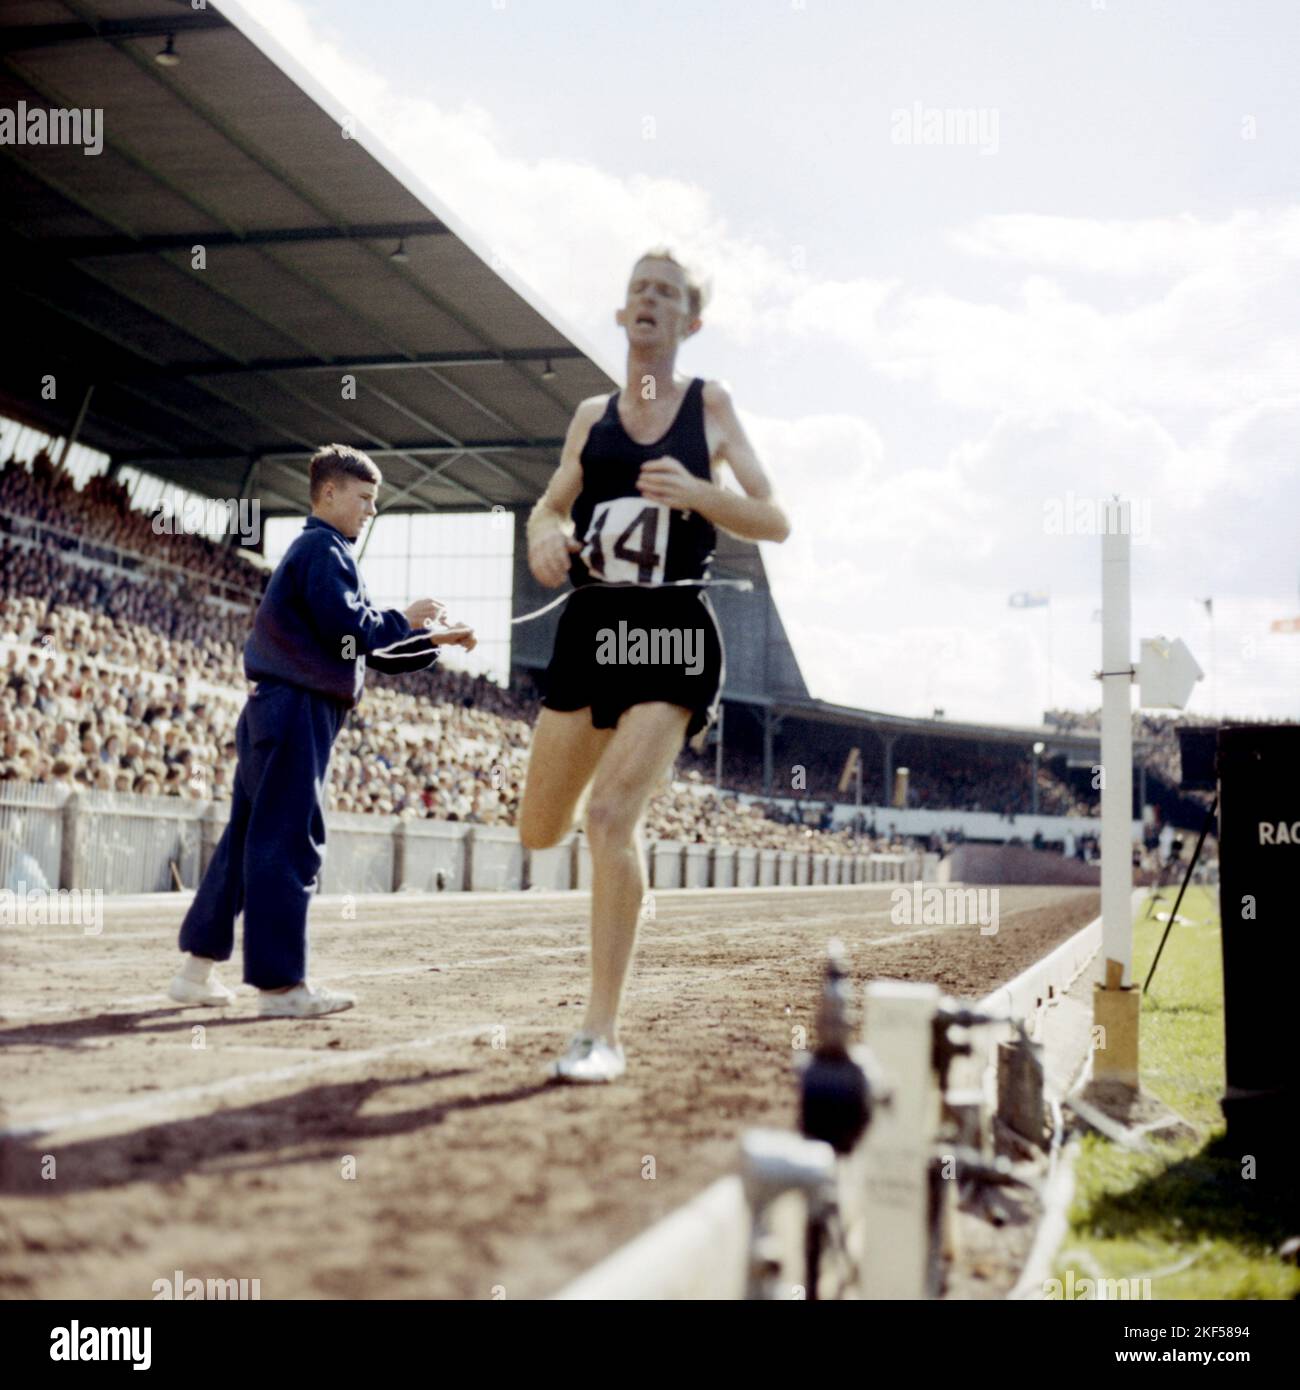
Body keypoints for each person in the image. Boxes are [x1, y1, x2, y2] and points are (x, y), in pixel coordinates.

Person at [519, 247, 790, 1081]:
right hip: (591, 627)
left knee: (610, 818)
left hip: (671, 629)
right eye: (639, 287)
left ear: (689, 322)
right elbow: (551, 502)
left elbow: (774, 518)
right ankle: (628, 889)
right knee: (539, 830)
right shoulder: (591, 414)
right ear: (622, 312)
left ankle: (599, 1031)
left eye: (666, 292)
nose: (649, 299)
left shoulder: (709, 406)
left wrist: (701, 493)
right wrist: (543, 541)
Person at [167, 444, 476, 1018]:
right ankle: (282, 988)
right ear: (328, 493)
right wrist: (406, 619)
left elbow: (359, 646)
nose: (371, 511)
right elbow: (353, 629)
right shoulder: (323, 548)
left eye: (374, 502)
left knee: (245, 841)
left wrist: (432, 642)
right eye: (364, 498)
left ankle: (196, 972)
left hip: (275, 711)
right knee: (288, 841)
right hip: (296, 712)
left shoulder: (318, 551)